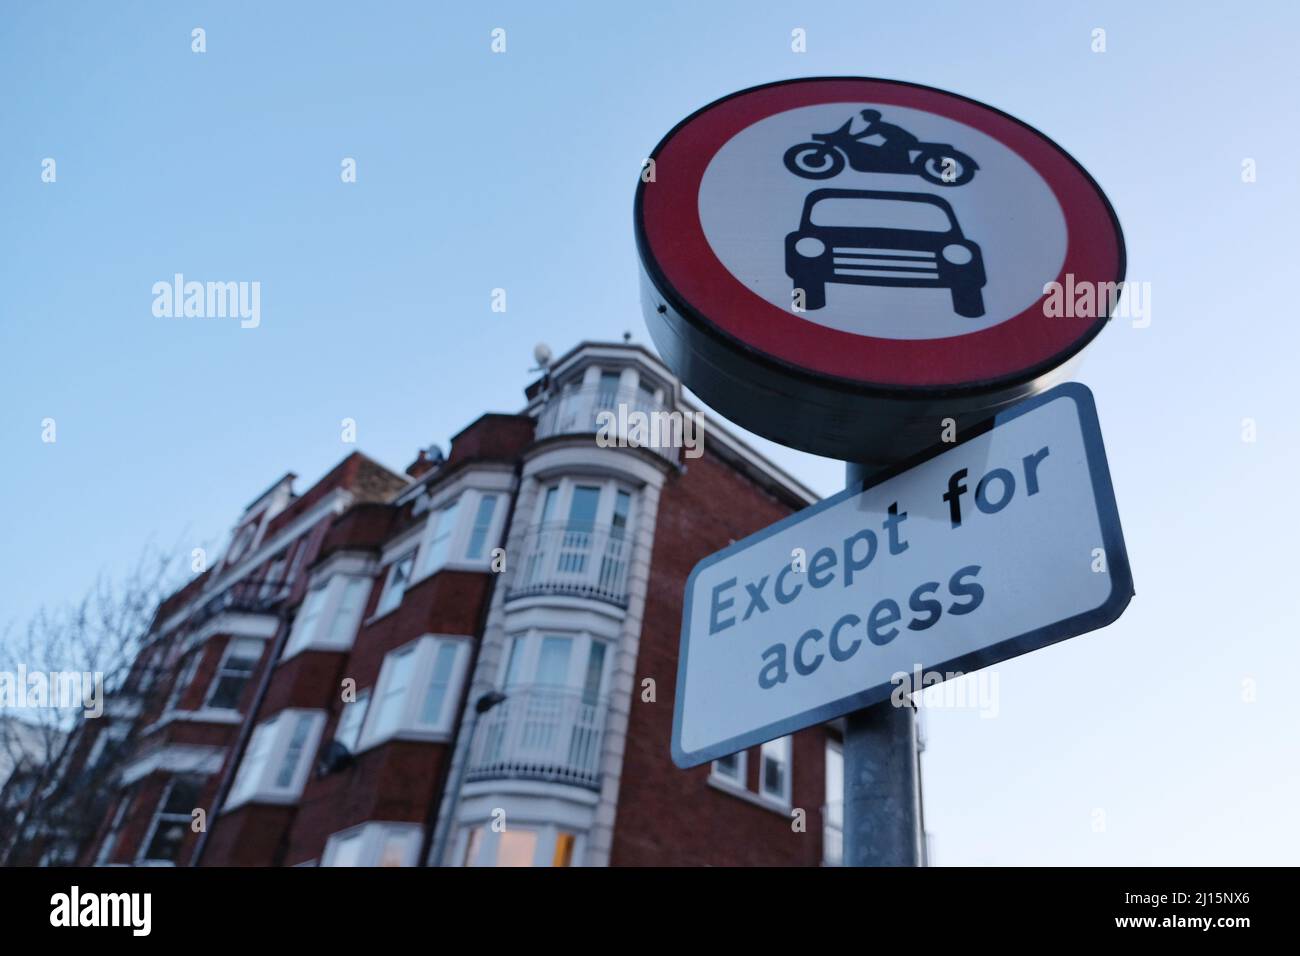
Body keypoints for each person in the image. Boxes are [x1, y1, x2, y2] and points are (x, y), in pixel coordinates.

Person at [850, 109, 919, 167]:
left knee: (884, 150)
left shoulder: (877, 125)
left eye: (865, 116)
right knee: (886, 148)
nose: (863, 117)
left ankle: (901, 165)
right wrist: (853, 137)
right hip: (898, 139)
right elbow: (865, 133)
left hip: (904, 139)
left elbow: (865, 134)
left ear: (871, 116)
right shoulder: (877, 124)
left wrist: (851, 138)